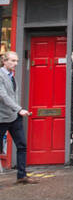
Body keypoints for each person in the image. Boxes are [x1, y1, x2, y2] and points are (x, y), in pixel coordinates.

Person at [0, 50, 34, 185]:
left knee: (22, 145)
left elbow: (12, 95)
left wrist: (17, 111)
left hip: (14, 117)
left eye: (17, 61)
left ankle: (21, 176)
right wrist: (19, 109)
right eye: (13, 61)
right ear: (4, 61)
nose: (15, 64)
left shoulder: (11, 75)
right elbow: (3, 96)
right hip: (2, 118)